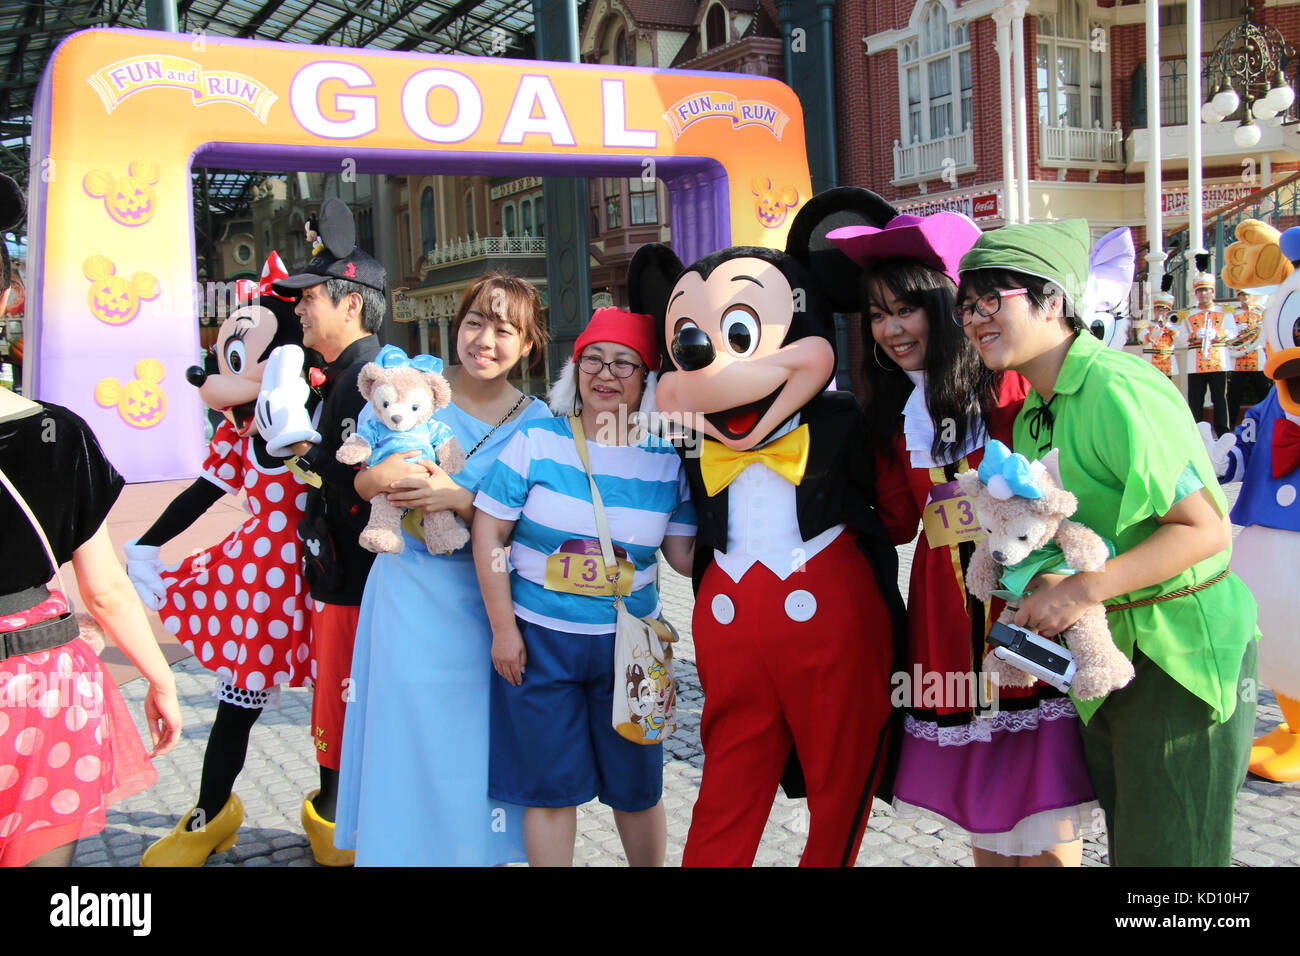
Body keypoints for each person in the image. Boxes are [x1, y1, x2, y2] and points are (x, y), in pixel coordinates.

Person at [955, 218, 1259, 867]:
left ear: (1053, 301)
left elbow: (1205, 529)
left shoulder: (1117, 388)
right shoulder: (1040, 412)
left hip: (1178, 658)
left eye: (992, 300)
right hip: (1108, 663)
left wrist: (1083, 589)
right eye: (966, 305)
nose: (976, 318)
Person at [829, 212, 1098, 867]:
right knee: (985, 802)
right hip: (946, 622)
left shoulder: (1006, 389)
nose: (890, 330)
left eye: (906, 311)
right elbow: (898, 521)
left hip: (1025, 603)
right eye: (877, 315)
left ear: (944, 310)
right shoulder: (895, 414)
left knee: (1045, 799)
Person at [334, 272, 550, 865]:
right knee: (406, 736)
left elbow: (540, 529)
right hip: (407, 592)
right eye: (476, 323)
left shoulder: (540, 425)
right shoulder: (415, 390)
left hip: (489, 606)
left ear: (529, 344)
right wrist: (376, 478)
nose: (485, 339)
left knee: (474, 742)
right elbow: (356, 477)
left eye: (505, 329)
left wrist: (460, 499)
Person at [0, 172, 182, 867]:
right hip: (41, 688)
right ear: (11, 294)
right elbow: (104, 591)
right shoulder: (58, 435)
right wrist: (157, 676)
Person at [472, 307, 696, 867]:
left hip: (633, 649)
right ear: (575, 370)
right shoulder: (537, 438)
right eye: (592, 359)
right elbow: (490, 531)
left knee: (638, 788)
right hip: (540, 643)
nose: (605, 373)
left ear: (647, 378)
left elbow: (685, 558)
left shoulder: (668, 458)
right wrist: (504, 629)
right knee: (548, 791)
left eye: (624, 362)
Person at [133, 254, 315, 867]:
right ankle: (211, 815)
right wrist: (146, 543)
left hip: (325, 579)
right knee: (238, 706)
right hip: (258, 588)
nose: (219, 375)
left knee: (331, 703)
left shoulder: (330, 410)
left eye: (240, 359)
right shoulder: (237, 435)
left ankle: (333, 811)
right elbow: (203, 491)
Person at [260, 197, 384, 865]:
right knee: (335, 707)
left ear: (352, 303)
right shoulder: (331, 377)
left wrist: (310, 458)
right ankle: (338, 817)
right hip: (334, 576)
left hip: (362, 584)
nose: (300, 309)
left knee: (346, 706)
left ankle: (345, 825)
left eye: (311, 298)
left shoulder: (374, 382)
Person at [1182, 270, 1235, 436]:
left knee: (1220, 398)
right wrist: (1193, 335)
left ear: (1212, 291)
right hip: (1195, 363)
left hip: (1218, 360)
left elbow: (1233, 332)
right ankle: (1196, 432)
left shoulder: (1225, 312)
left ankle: (1223, 432)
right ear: (1196, 293)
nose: (1203, 293)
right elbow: (1179, 337)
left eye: (1206, 290)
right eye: (1200, 290)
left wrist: (1217, 333)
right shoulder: (1187, 314)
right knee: (1195, 398)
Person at [1228, 289, 1268, 426]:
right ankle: (1230, 425)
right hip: (1238, 358)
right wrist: (1238, 330)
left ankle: (1269, 423)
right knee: (1234, 395)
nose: (1245, 297)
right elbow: (1228, 334)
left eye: (1248, 294)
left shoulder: (1261, 312)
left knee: (1263, 393)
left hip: (1257, 357)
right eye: (1242, 294)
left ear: (1254, 295)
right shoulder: (1233, 313)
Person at [1138, 282, 1179, 379]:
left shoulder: (1172, 325)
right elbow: (1141, 339)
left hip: (1167, 363)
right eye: (1158, 309)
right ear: (1154, 310)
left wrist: (1169, 327)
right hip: (1150, 363)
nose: (1161, 312)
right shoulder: (1146, 323)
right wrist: (1151, 334)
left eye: (1164, 309)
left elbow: (1180, 340)